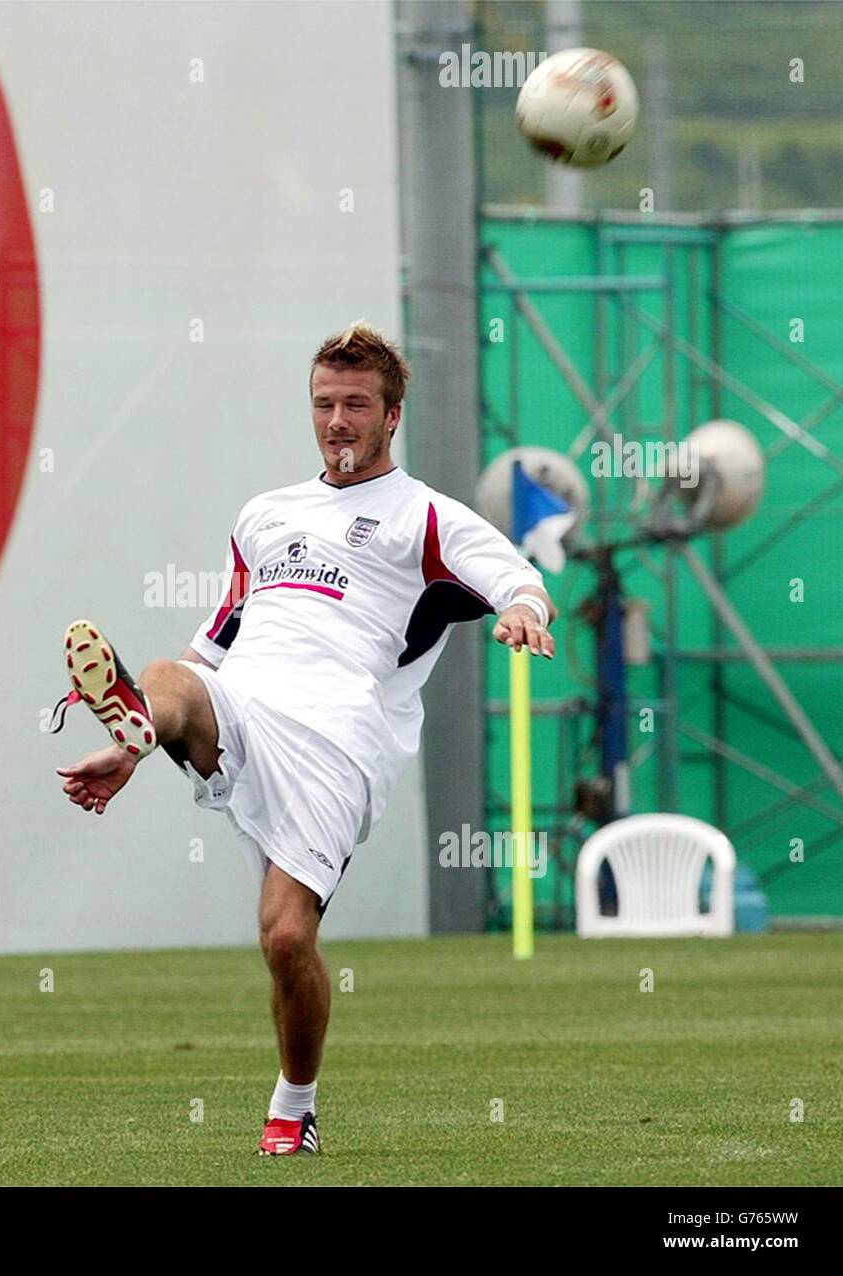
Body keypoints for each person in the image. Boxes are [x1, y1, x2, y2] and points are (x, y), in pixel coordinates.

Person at [54, 321, 557, 1156]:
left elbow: (517, 576)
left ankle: (295, 1104)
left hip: (337, 741)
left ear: (392, 414)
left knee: (287, 938)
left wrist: (521, 611)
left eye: (356, 405)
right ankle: (135, 719)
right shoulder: (264, 515)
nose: (336, 421)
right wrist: (136, 747)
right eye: (324, 404)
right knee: (168, 675)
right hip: (243, 701)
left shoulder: (424, 516)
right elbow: (210, 645)